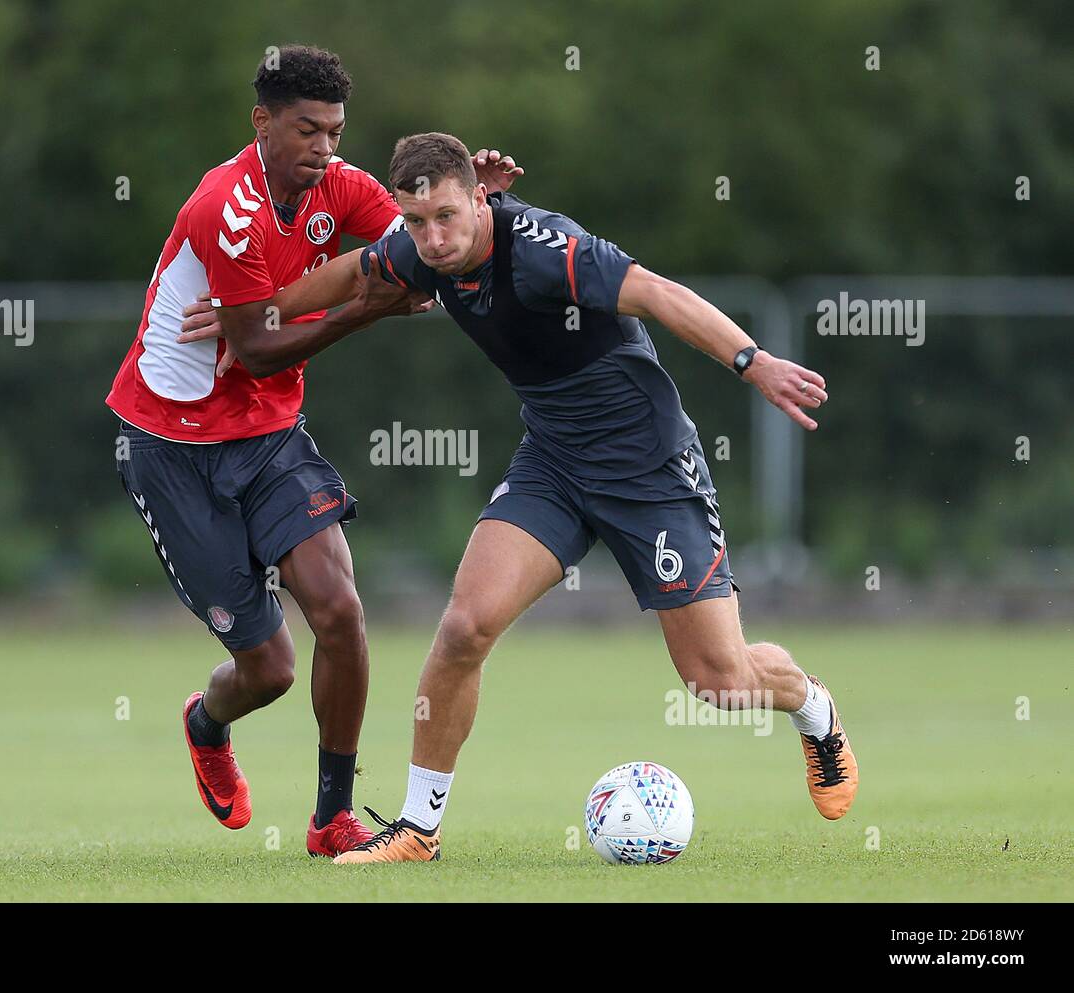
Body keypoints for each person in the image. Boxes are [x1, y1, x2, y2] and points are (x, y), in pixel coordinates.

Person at [184, 131, 858, 864]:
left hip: (650, 471)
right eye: (414, 222)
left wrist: (753, 363)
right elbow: (352, 271)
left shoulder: (546, 249)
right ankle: (417, 829)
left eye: (445, 216)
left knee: (717, 680)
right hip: (554, 465)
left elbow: (658, 293)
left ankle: (813, 709)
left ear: (479, 197)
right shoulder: (419, 244)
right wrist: (254, 312)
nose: (430, 239)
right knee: (464, 627)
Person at [104, 50, 521, 858]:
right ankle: (205, 721)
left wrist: (474, 206)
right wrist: (369, 306)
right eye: (307, 130)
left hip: (268, 436)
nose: (324, 147)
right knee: (269, 670)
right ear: (262, 124)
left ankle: (333, 818)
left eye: (334, 131)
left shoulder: (343, 185)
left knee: (340, 609)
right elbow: (259, 348)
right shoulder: (225, 206)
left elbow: (423, 246)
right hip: (172, 443)